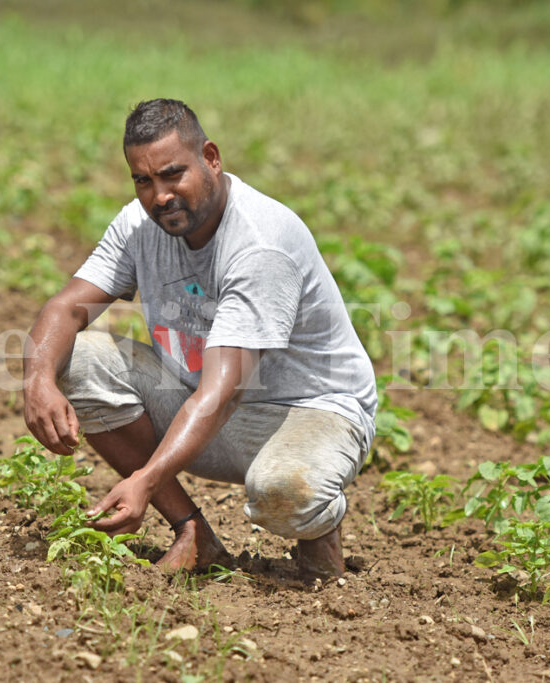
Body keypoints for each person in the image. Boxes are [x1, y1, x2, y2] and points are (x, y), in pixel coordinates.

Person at [22, 99, 377, 579]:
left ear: (211, 157)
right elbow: (66, 308)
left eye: (173, 175)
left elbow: (223, 392)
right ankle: (193, 533)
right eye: (143, 181)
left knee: (283, 494)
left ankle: (320, 533)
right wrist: (37, 379)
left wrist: (144, 481)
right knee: (77, 359)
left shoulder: (260, 244)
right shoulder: (138, 225)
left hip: (308, 411)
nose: (160, 196)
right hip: (200, 402)